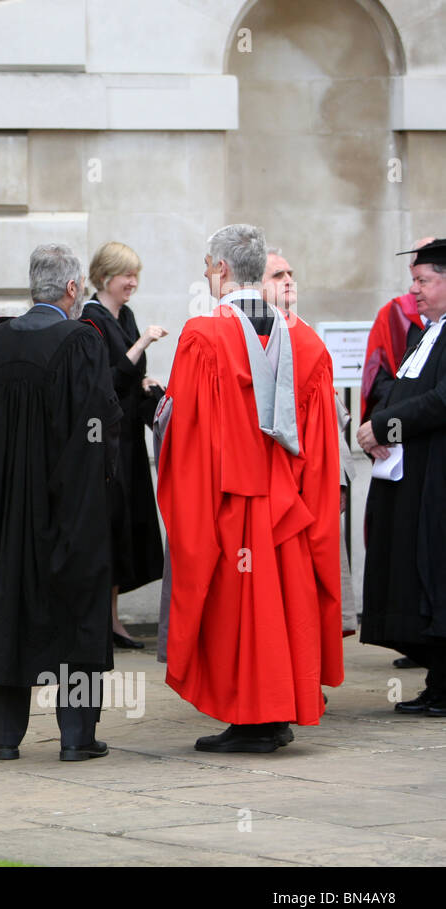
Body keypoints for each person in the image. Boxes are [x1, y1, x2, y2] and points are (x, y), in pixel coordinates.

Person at [0, 243, 120, 759]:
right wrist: (100, 509)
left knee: (3, 615)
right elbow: (96, 434)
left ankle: (6, 738)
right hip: (65, 513)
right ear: (73, 288)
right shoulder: (84, 343)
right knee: (74, 620)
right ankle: (77, 739)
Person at [158, 223, 342, 753]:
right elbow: (322, 451)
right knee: (284, 611)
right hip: (290, 511)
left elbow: (185, 438)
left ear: (219, 269)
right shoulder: (307, 342)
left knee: (238, 614)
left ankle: (252, 720)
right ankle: (276, 715)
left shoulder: (202, 337)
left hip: (231, 510)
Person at [357, 238, 446, 716]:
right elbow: (394, 385)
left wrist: (385, 426)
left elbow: (440, 401)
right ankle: (438, 680)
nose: (414, 291)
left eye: (424, 281)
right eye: (414, 281)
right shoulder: (424, 332)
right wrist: (374, 427)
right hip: (409, 478)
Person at [263, 248, 359, 637]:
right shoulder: (253, 340)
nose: (288, 280)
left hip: (312, 482)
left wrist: (339, 480)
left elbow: (330, 420)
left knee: (311, 587)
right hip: (272, 486)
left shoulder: (306, 338)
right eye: (277, 275)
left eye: (290, 273)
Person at [79, 242, 166, 650]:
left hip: (129, 439)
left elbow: (130, 379)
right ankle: (102, 622)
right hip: (105, 446)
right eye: (126, 275)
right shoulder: (92, 320)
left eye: (135, 275)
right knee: (108, 528)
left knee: (125, 528)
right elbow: (107, 379)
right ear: (105, 277)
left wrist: (146, 383)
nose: (132, 283)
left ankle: (112, 620)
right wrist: (143, 343)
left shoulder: (124, 315)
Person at [362, 238, 433, 422]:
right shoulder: (393, 313)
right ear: (411, 269)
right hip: (403, 420)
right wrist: (387, 428)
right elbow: (378, 378)